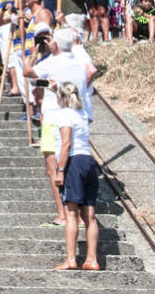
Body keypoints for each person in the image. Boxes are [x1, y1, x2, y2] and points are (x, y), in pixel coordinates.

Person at [23, 28, 93, 231]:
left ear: (55, 44)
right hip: (75, 113)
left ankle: (63, 214)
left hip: (54, 116)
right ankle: (77, 215)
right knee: (71, 163)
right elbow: (91, 72)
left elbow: (28, 71)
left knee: (53, 167)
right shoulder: (79, 62)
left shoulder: (52, 62)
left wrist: (35, 52)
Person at [52, 82, 100, 271]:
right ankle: (92, 259)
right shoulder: (82, 114)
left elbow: (66, 144)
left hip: (73, 163)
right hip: (88, 161)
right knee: (90, 215)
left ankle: (71, 259)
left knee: (71, 213)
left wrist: (60, 170)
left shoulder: (65, 114)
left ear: (60, 97)